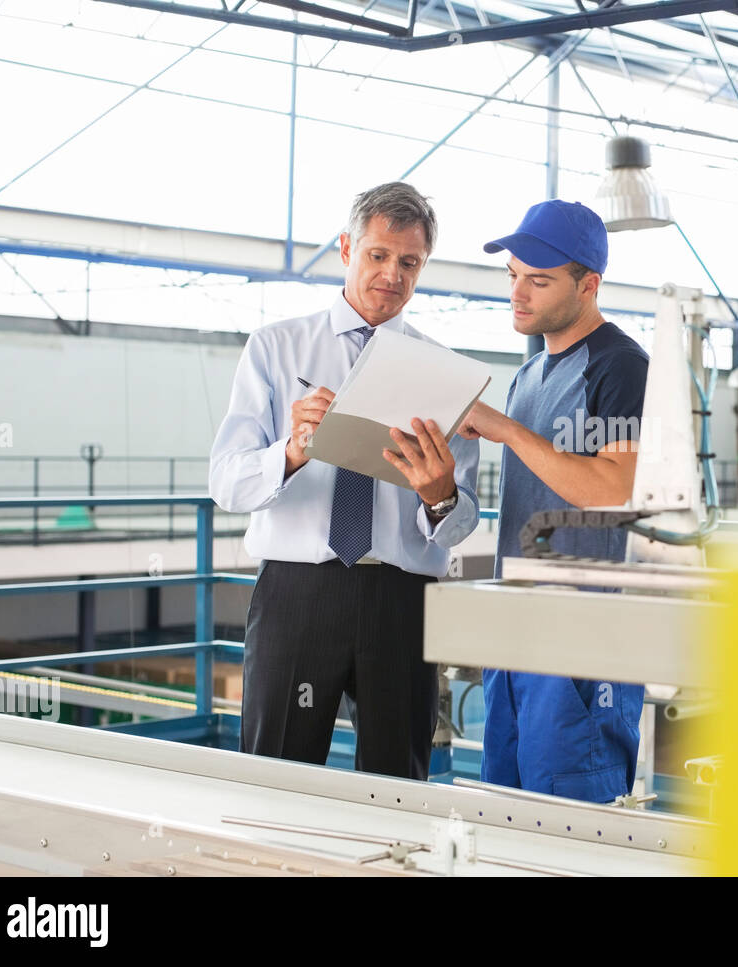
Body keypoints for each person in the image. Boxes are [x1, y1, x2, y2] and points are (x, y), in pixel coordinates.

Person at [209, 181, 479, 780]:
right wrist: (291, 450)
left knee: (400, 786)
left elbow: (459, 526)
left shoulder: (445, 374)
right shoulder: (274, 349)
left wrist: (440, 497)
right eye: (378, 255)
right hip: (298, 594)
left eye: (409, 262)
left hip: (401, 599)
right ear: (346, 248)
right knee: (278, 774)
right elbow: (226, 481)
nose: (392, 274)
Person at [459, 199, 649, 803]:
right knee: (505, 816)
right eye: (512, 276)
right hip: (515, 638)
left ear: (588, 285)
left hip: (579, 647)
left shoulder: (621, 366)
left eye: (538, 281)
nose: (518, 293)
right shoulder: (527, 375)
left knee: (574, 819)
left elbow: (615, 489)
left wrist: (508, 431)